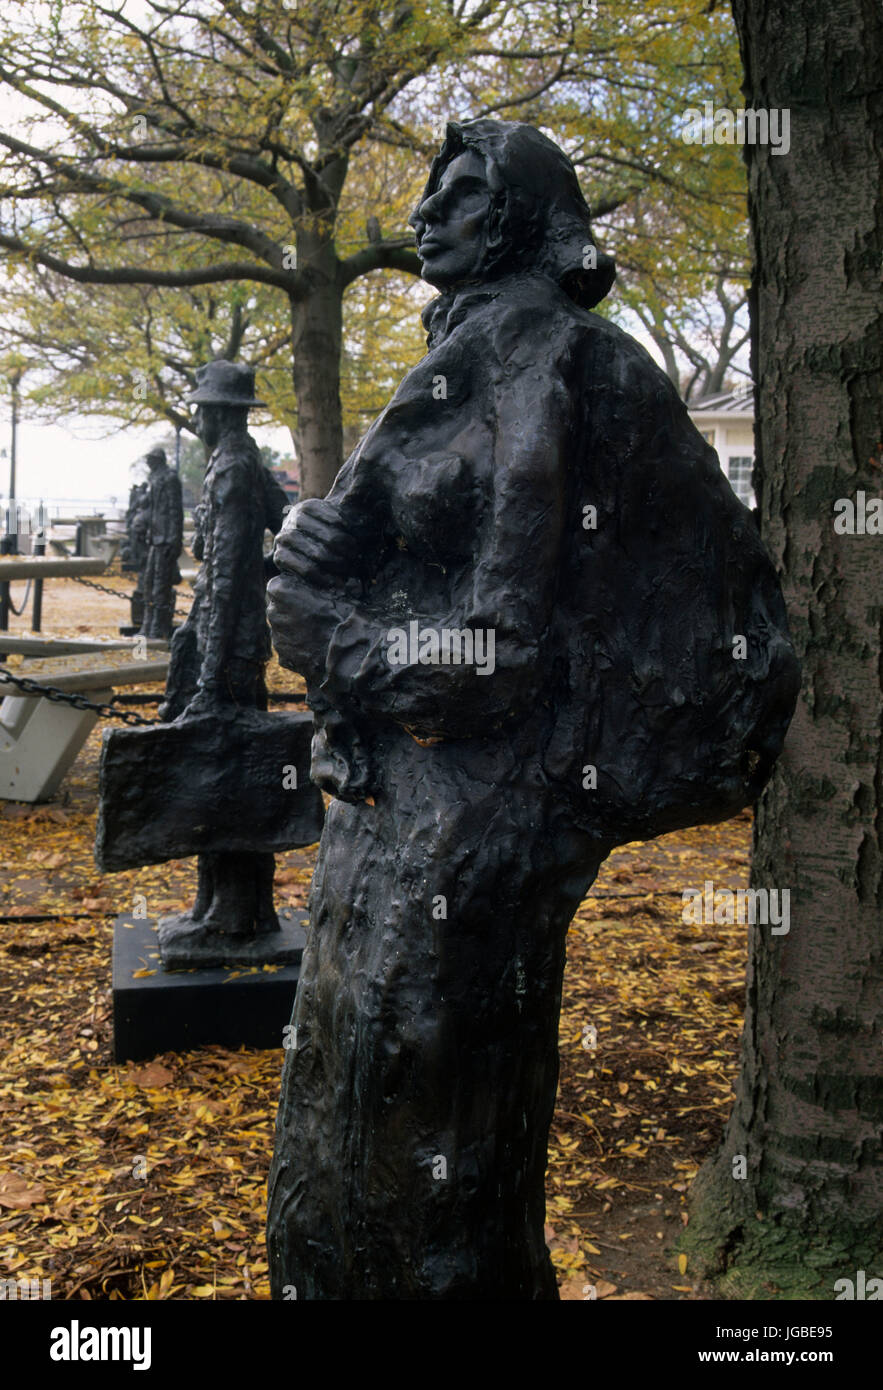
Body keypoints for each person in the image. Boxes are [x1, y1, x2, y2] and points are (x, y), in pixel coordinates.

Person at [265, 120, 800, 1299]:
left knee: (417, 1140)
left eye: (456, 197)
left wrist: (333, 641)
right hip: (399, 807)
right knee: (367, 1118)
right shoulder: (475, 357)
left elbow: (496, 651)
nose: (425, 217)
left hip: (472, 815)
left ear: (514, 218)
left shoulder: (540, 358)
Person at [157, 360, 278, 952]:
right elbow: (283, 522)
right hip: (229, 642)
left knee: (226, 770)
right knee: (233, 769)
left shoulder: (232, 468)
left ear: (222, 412)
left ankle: (231, 917)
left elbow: (227, 576)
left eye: (203, 407)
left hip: (227, 652)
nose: (197, 416)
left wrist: (208, 676)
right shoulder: (244, 460)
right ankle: (229, 905)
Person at [139, 447, 183, 639]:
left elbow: (175, 511)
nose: (148, 464)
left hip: (166, 540)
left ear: (157, 461)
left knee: (160, 586)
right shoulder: (154, 480)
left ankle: (158, 627)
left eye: (150, 461)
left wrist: (175, 540)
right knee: (148, 583)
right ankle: (147, 625)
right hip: (155, 539)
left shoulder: (169, 479)